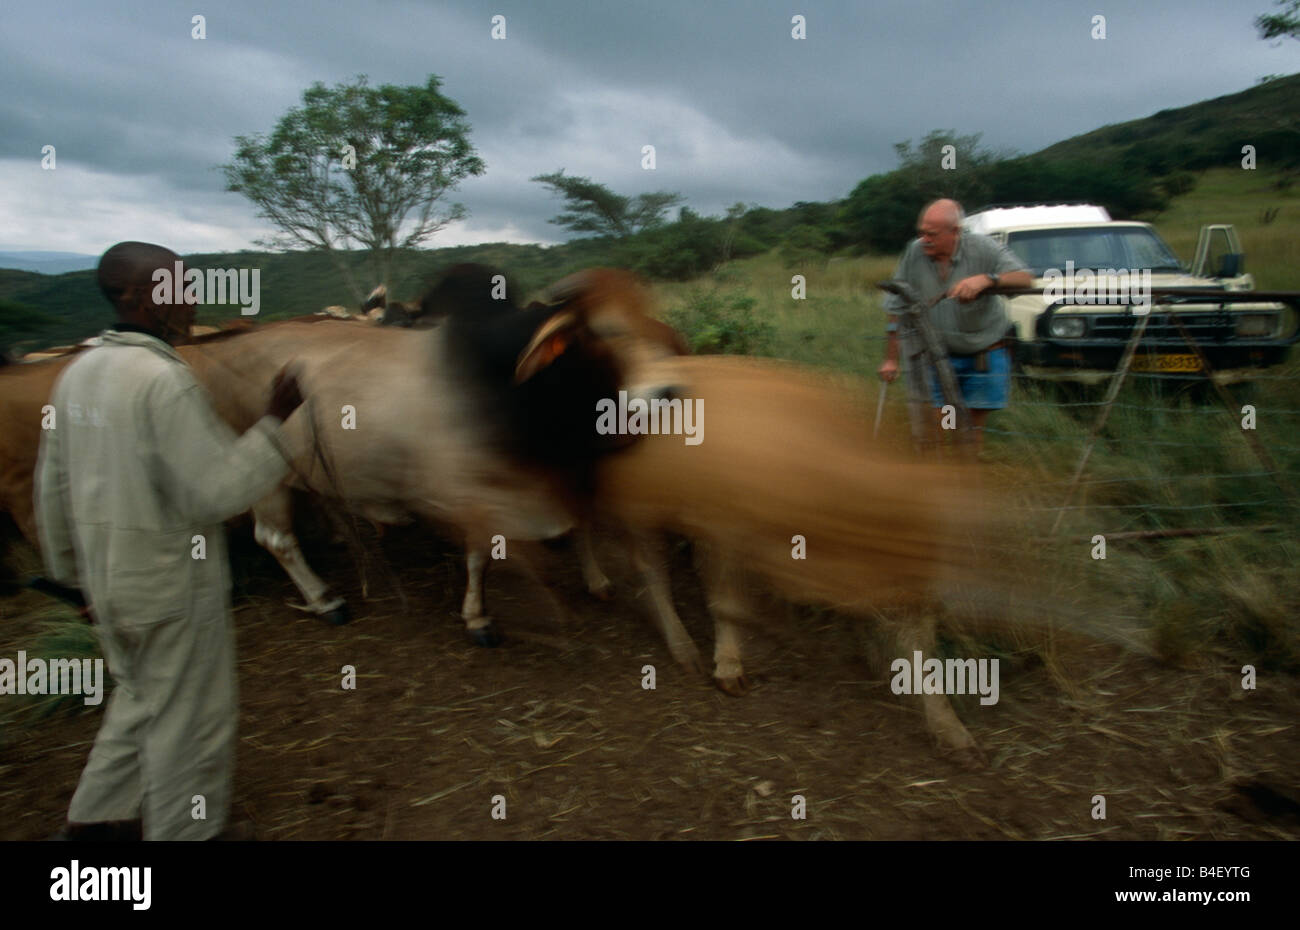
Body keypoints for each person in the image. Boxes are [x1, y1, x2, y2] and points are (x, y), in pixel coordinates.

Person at [35, 241, 304, 840]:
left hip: (109, 588)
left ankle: (91, 830)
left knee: (137, 703)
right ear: (137, 297)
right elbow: (215, 494)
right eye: (177, 287)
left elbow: (52, 488)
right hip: (170, 590)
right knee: (190, 724)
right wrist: (275, 422)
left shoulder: (77, 373)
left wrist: (70, 580)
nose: (190, 299)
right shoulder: (163, 380)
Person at [877, 199, 1033, 457]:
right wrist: (890, 360)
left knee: (971, 427)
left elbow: (1024, 278)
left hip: (984, 352)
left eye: (932, 234)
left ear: (956, 232)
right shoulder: (915, 253)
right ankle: (942, 475)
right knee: (941, 422)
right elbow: (896, 306)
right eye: (921, 232)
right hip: (939, 356)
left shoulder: (983, 248)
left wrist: (987, 280)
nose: (924, 239)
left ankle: (966, 481)